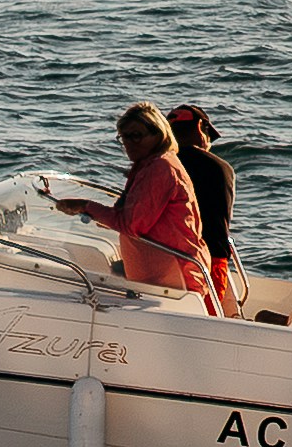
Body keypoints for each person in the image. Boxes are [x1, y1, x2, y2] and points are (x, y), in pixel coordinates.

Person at [64, 105, 211, 303]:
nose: (129, 143)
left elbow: (131, 225)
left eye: (136, 136)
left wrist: (86, 206)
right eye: (123, 137)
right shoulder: (151, 164)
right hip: (165, 275)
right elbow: (128, 213)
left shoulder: (160, 168)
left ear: (158, 134)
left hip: (174, 281)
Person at [166, 104, 244, 314]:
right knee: (205, 321)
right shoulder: (221, 168)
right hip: (210, 263)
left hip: (166, 260)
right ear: (201, 127)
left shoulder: (158, 166)